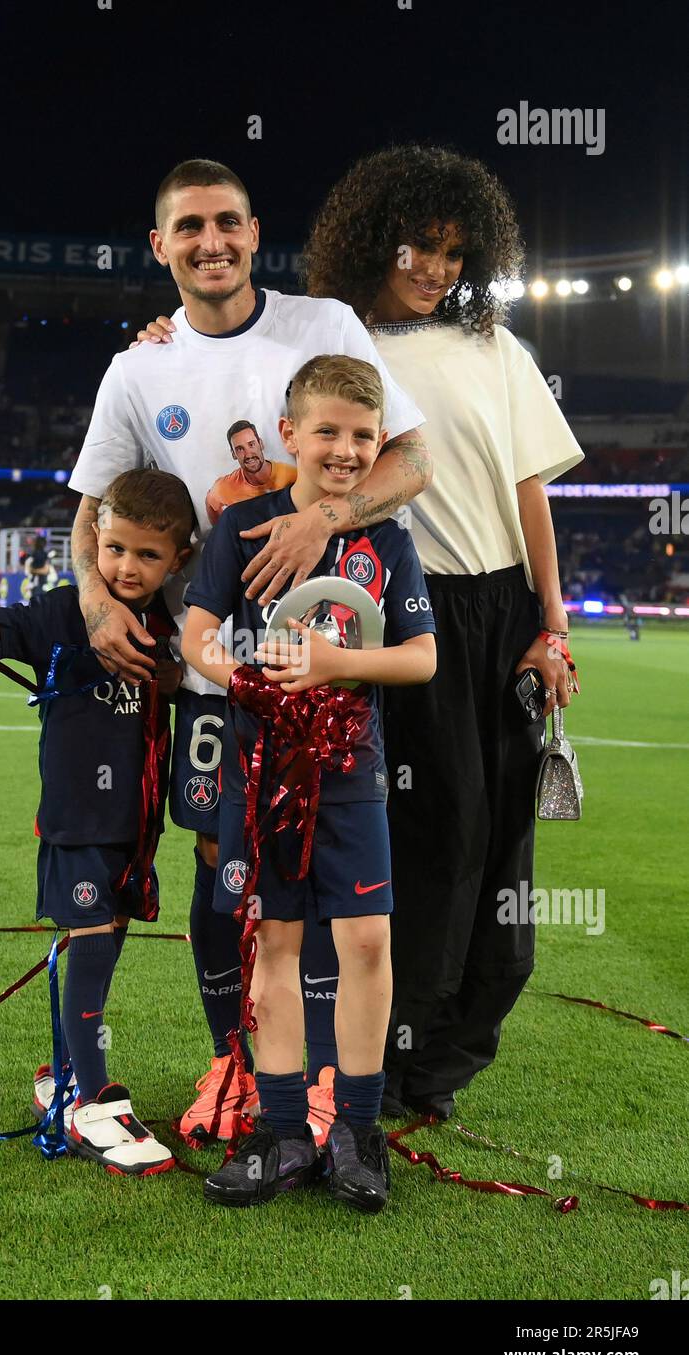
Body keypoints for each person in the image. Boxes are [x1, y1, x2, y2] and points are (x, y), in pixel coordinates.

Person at [68, 157, 432, 1145]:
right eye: (187, 228)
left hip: (330, 670)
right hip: (213, 676)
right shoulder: (139, 369)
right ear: (160, 247)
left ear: (252, 229)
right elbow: (89, 511)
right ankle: (237, 1061)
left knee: (320, 872)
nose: (209, 242)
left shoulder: (323, 327)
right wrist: (98, 599)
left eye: (225, 222)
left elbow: (413, 454)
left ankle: (320, 1078)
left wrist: (329, 518)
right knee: (221, 870)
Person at [302, 144, 583, 1119]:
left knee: (504, 836)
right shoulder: (343, 350)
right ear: (377, 239)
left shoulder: (494, 347)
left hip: (503, 610)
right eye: (419, 244)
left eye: (453, 254)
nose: (432, 268)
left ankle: (452, 1052)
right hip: (408, 611)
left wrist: (550, 625)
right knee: (438, 833)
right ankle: (394, 1050)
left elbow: (527, 492)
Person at [0, 469, 194, 1177]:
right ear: (94, 544)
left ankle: (65, 1071)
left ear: (179, 559)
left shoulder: (176, 623)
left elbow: (191, 680)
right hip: (74, 825)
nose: (126, 568)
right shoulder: (64, 610)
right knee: (89, 947)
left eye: (147, 555)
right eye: (113, 549)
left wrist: (173, 677)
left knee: (105, 949)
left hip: (134, 831)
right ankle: (93, 1100)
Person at [182, 355, 437, 1212]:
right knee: (275, 948)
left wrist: (334, 661)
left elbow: (421, 656)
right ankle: (282, 1131)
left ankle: (358, 1132)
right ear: (290, 434)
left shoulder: (388, 541)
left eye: (364, 436)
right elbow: (198, 635)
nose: (347, 449)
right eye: (327, 431)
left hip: (351, 773)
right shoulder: (244, 526)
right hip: (261, 776)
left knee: (366, 941)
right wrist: (248, 682)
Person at [205, 420, 298, 524]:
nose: (248, 454)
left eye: (251, 444)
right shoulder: (224, 487)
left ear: (260, 444)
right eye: (240, 449)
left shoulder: (291, 475)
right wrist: (222, 532)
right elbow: (210, 500)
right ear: (233, 454)